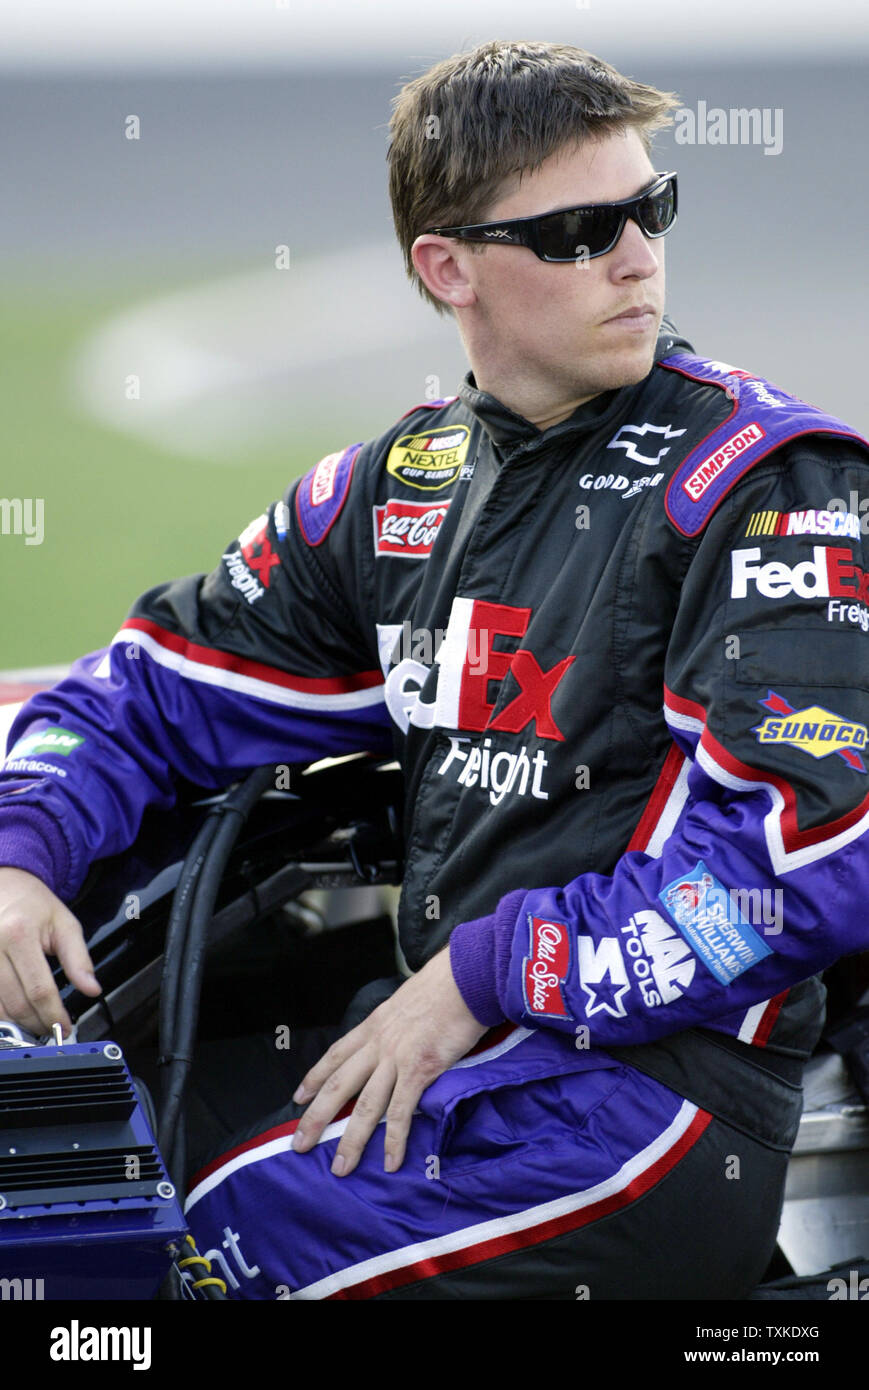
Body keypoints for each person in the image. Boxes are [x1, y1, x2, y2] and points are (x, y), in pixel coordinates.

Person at [0, 39, 867, 1301]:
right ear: (445, 268)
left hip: (646, 1107)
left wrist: (475, 972)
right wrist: (23, 852)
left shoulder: (768, 490)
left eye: (648, 209)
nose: (635, 257)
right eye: (579, 229)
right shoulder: (394, 494)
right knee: (70, 1176)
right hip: (452, 1061)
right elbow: (142, 690)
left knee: (179, 1261)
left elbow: (785, 878)